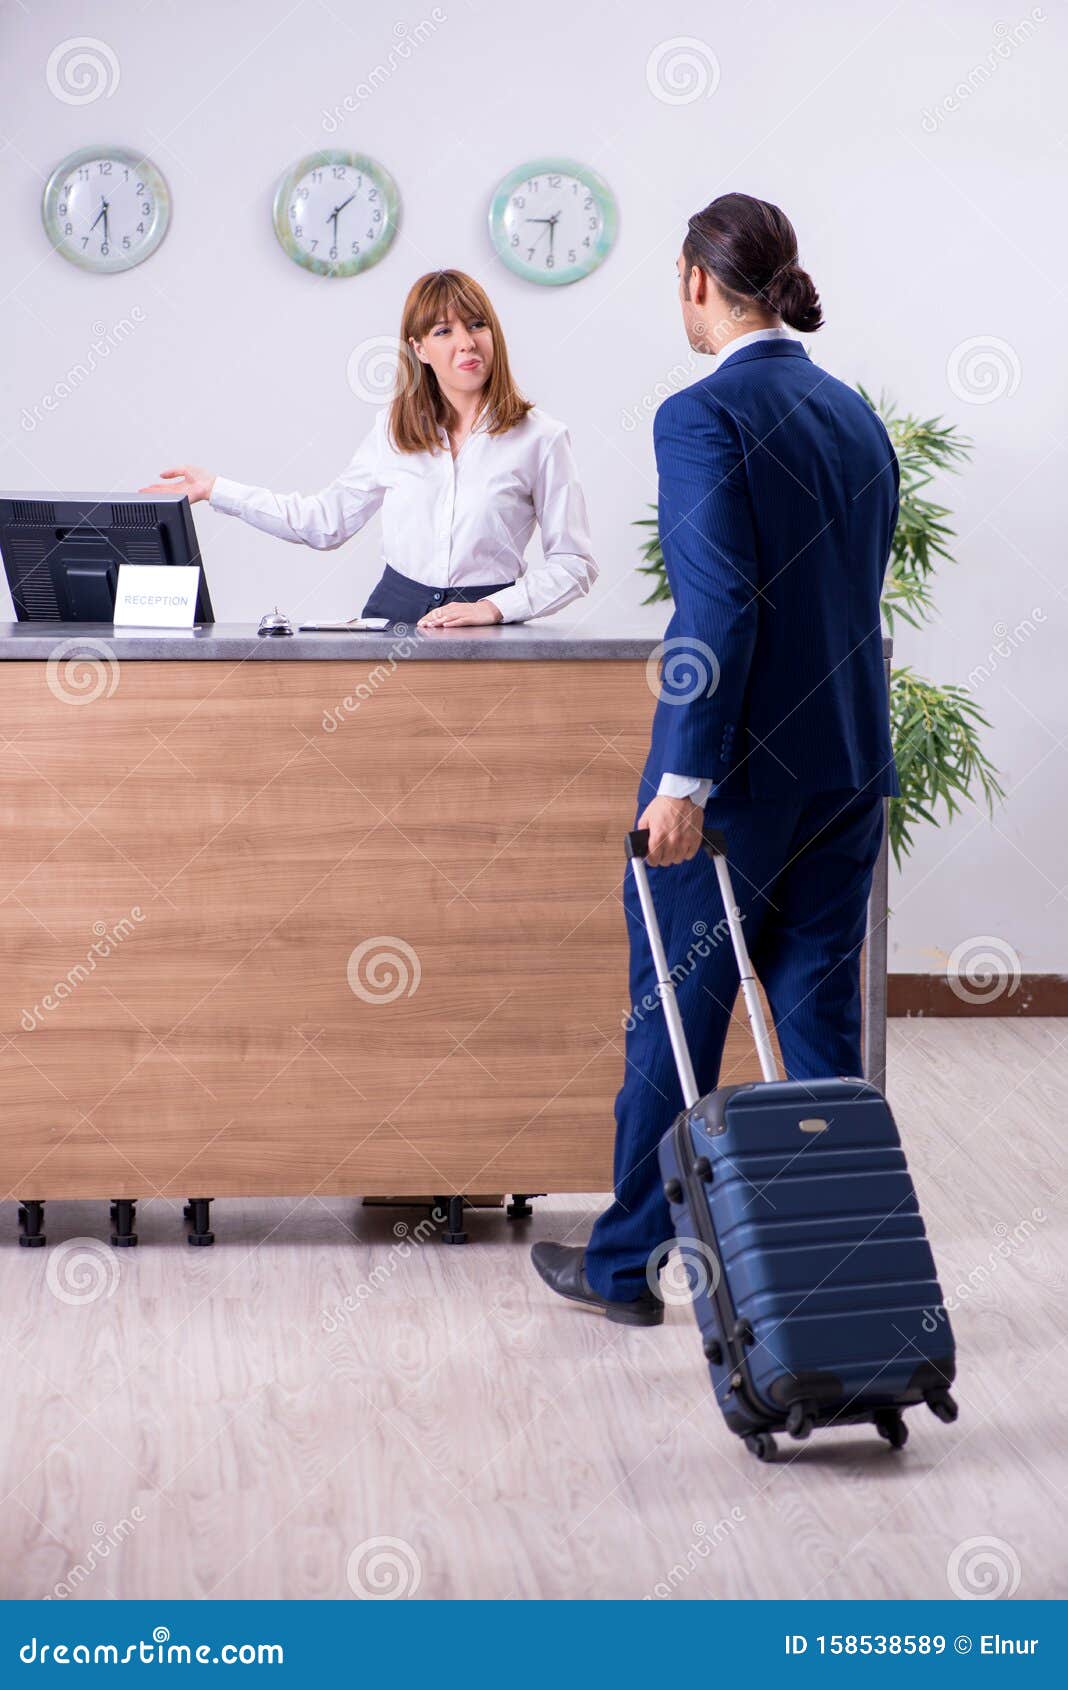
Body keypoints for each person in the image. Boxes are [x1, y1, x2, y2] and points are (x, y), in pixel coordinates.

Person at [532, 191, 901, 1325]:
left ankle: (627, 1265)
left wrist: (682, 782)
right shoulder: (853, 414)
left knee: (672, 1017)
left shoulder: (699, 416)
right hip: (847, 763)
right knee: (819, 1025)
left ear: (698, 279)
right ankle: (835, 1272)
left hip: (734, 781)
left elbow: (718, 609)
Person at [139, 269, 597, 631]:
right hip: (389, 621)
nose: (466, 343)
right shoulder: (393, 431)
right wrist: (217, 489)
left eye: (477, 325)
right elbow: (326, 523)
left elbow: (575, 564)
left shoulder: (541, 437)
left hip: (487, 631)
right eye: (443, 331)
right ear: (418, 348)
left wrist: (495, 608)